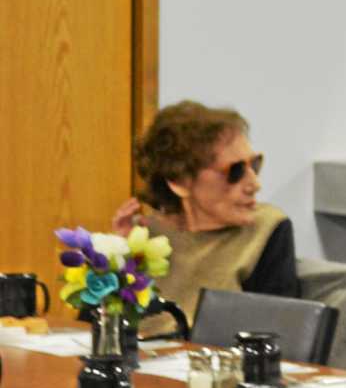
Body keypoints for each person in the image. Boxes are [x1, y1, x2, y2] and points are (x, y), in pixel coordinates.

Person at [112, 100, 298, 323]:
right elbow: (90, 331)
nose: (254, 184)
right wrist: (114, 261)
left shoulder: (267, 229)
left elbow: (277, 334)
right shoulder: (144, 236)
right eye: (236, 171)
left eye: (255, 165)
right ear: (179, 181)